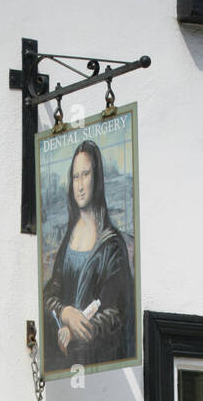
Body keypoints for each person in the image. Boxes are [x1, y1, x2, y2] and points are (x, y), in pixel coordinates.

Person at [42, 139, 134, 373]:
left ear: (97, 178)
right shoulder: (69, 238)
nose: (80, 185)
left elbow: (117, 312)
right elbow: (50, 294)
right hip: (64, 361)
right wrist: (65, 313)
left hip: (95, 361)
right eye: (75, 177)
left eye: (86, 175)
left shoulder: (111, 244)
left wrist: (79, 328)